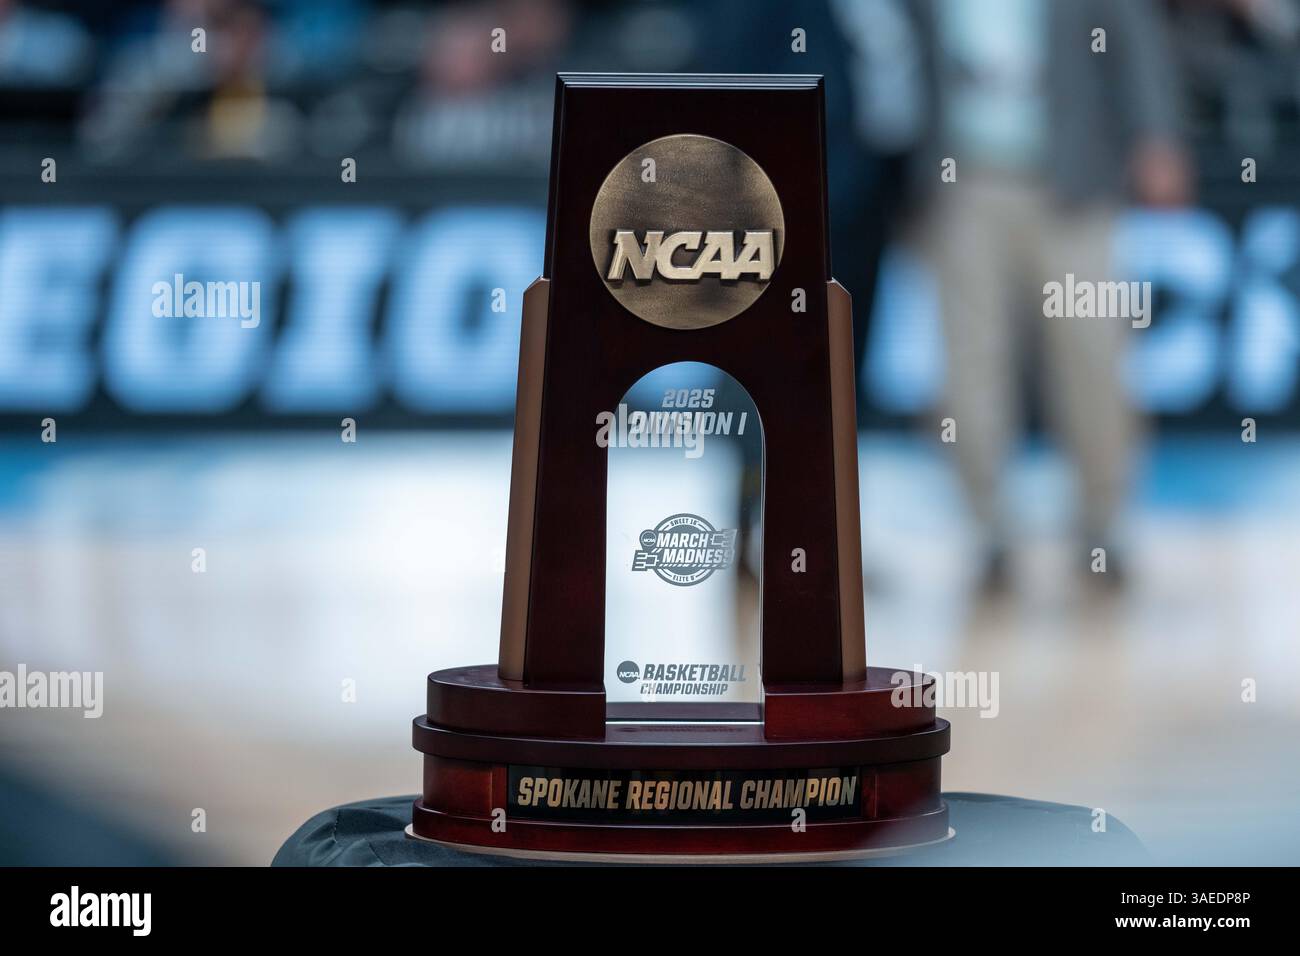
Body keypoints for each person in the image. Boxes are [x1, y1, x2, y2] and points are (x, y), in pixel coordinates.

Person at [907, 0, 1193, 591]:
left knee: (1093, 362)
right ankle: (987, 534)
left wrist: (1157, 135)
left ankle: (1102, 527)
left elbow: (1132, 34)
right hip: (964, 187)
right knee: (970, 369)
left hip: (1074, 186)